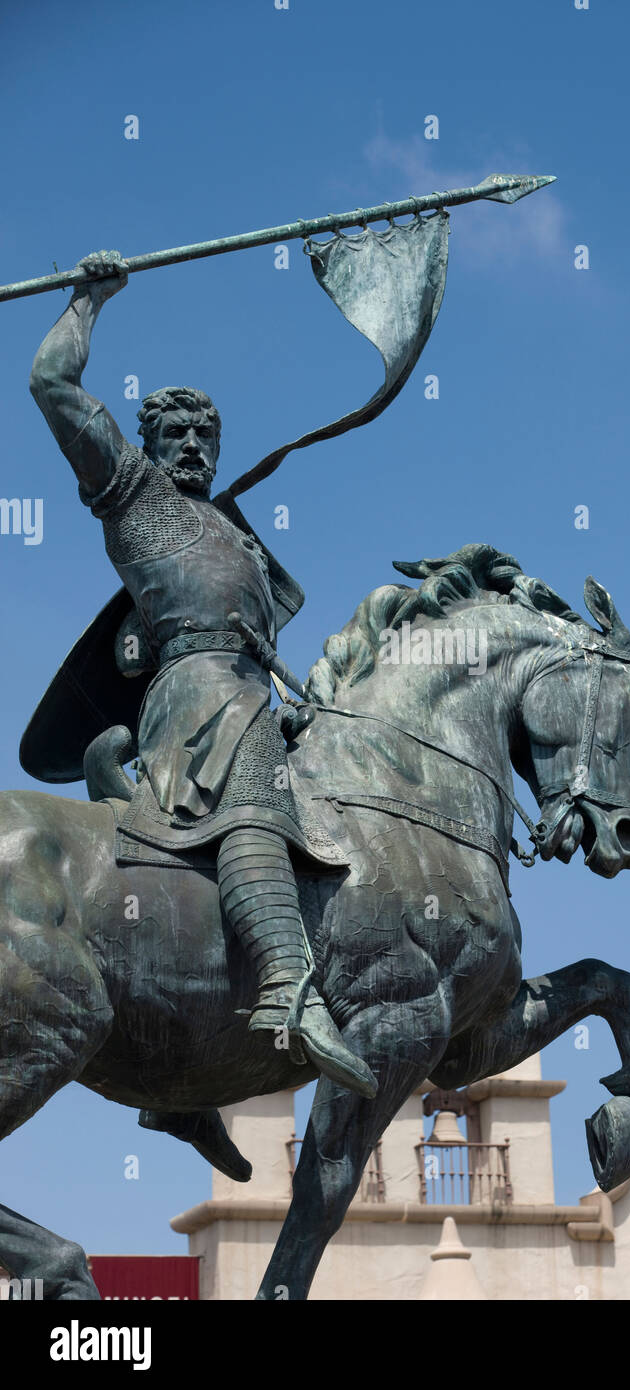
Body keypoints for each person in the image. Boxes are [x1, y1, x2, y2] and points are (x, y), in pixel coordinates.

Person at [28, 249, 375, 1100]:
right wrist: (87, 301)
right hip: (198, 697)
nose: (191, 443)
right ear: (142, 447)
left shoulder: (236, 535)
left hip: (250, 687)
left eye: (204, 434)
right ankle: (287, 989)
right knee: (253, 797)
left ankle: (187, 1083)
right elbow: (51, 385)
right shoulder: (134, 495)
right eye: (173, 432)